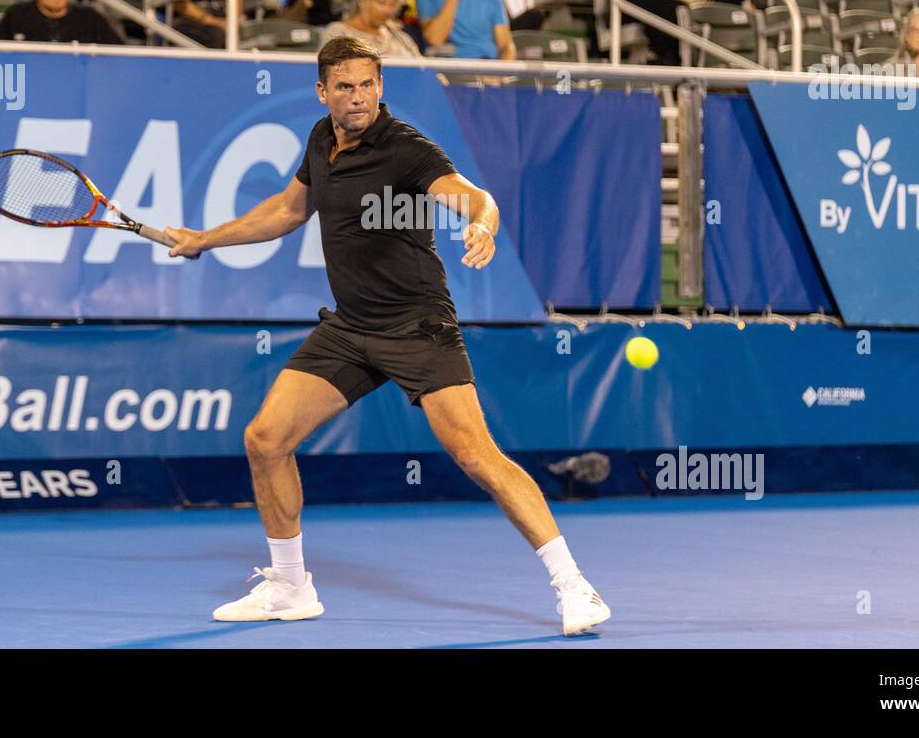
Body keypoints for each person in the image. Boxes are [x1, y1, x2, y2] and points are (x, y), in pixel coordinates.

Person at [162, 36, 611, 637]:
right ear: (322, 93)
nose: (358, 96)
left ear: (382, 88)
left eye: (369, 84)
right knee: (266, 438)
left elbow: (472, 197)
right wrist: (205, 238)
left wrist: (482, 223)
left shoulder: (405, 148)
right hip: (351, 327)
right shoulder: (321, 140)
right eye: (345, 86)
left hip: (416, 325)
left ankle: (574, 586)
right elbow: (289, 210)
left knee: (476, 456)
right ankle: (291, 586)